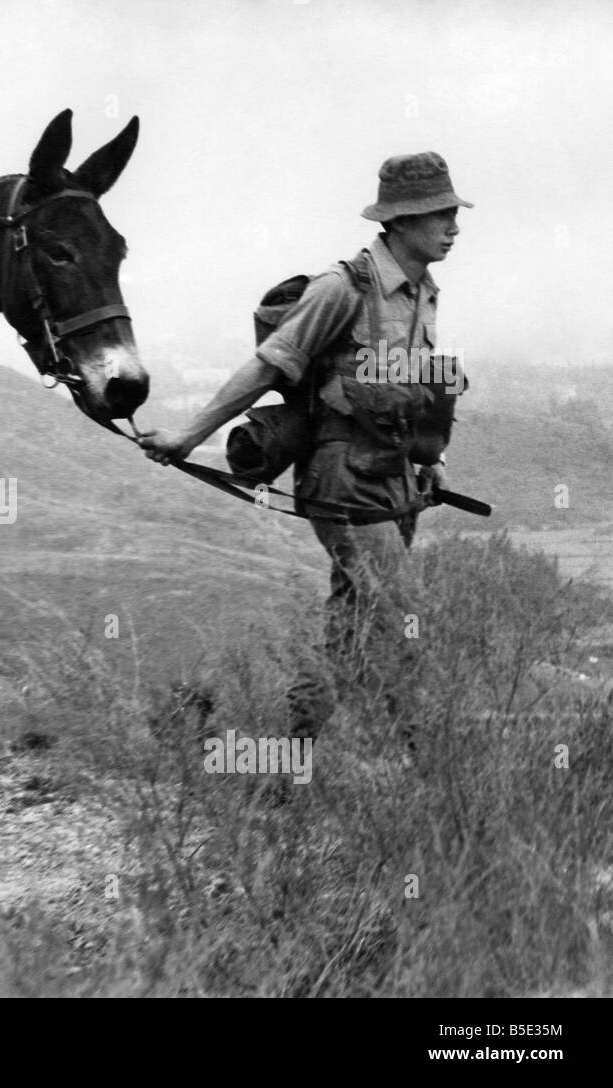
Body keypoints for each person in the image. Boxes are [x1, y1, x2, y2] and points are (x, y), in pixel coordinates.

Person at [139, 152, 472, 746]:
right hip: (343, 481)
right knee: (406, 621)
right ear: (398, 221)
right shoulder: (341, 289)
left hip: (395, 483)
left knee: (351, 627)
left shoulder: (423, 292)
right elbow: (269, 366)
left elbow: (418, 389)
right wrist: (188, 437)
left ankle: (287, 765)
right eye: (439, 213)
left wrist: (433, 462)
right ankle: (438, 780)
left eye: (452, 212)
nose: (453, 226)